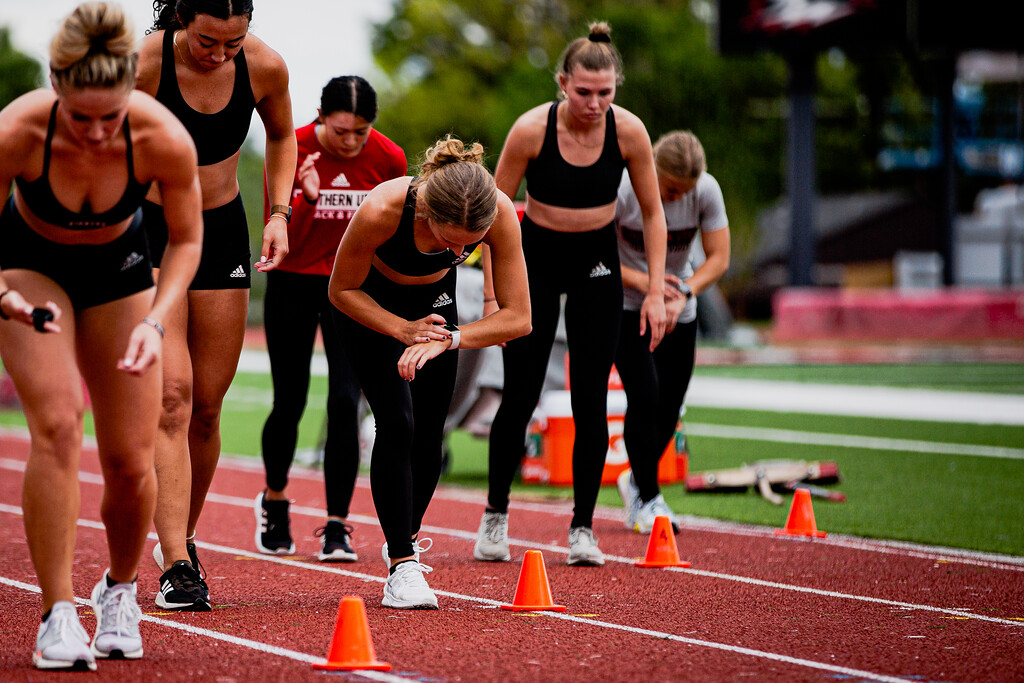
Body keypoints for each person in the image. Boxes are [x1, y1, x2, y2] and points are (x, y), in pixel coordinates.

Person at [0, 2, 202, 670]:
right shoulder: (18, 130)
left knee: (129, 459)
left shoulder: (163, 137)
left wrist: (154, 319)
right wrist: (4, 299)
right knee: (59, 423)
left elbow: (187, 239)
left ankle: (118, 591)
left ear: (128, 98)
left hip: (121, 274)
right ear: (56, 91)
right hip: (31, 266)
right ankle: (58, 611)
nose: (93, 133)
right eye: (79, 117)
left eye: (108, 118)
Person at [477, 22, 668, 566]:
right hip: (534, 258)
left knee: (591, 400)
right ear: (563, 82)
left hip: (598, 263)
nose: (594, 102)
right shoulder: (531, 131)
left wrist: (655, 290)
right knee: (520, 394)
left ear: (616, 89)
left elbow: (653, 214)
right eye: (583, 91)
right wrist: (492, 297)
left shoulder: (628, 132)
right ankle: (495, 515)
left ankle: (582, 527)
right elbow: (492, 211)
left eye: (605, 93)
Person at [135, 0, 296, 610]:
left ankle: (186, 536)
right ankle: (176, 560)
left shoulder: (265, 68)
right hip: (150, 228)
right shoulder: (146, 63)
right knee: (170, 397)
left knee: (206, 406)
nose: (220, 54)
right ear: (180, 18)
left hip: (222, 230)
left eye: (234, 41)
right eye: (207, 40)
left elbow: (281, 135)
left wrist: (278, 213)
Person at [328, 136, 530, 609]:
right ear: (426, 215)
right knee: (397, 422)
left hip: (435, 313)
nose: (459, 253)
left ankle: (405, 536)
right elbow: (341, 291)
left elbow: (519, 317)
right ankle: (402, 565)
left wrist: (447, 338)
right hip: (370, 307)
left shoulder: (498, 210)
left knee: (430, 435)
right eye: (448, 241)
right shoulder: (383, 209)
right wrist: (402, 330)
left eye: (469, 246)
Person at [255, 76, 406, 562]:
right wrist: (309, 196)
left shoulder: (388, 158)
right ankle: (275, 501)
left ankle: (337, 524)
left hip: (353, 289)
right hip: (294, 281)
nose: (351, 141)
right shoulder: (290, 148)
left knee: (345, 402)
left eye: (361, 132)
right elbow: (277, 241)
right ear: (322, 119)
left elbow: (393, 235)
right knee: (290, 400)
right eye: (341, 131)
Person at [614, 130, 731, 533]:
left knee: (670, 404)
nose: (678, 198)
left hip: (677, 304)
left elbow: (719, 257)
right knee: (644, 394)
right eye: (670, 190)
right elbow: (599, 256)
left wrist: (686, 290)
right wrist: (645, 284)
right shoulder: (623, 188)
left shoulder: (706, 190)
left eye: (686, 191)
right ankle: (649, 496)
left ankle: (634, 481)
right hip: (627, 305)